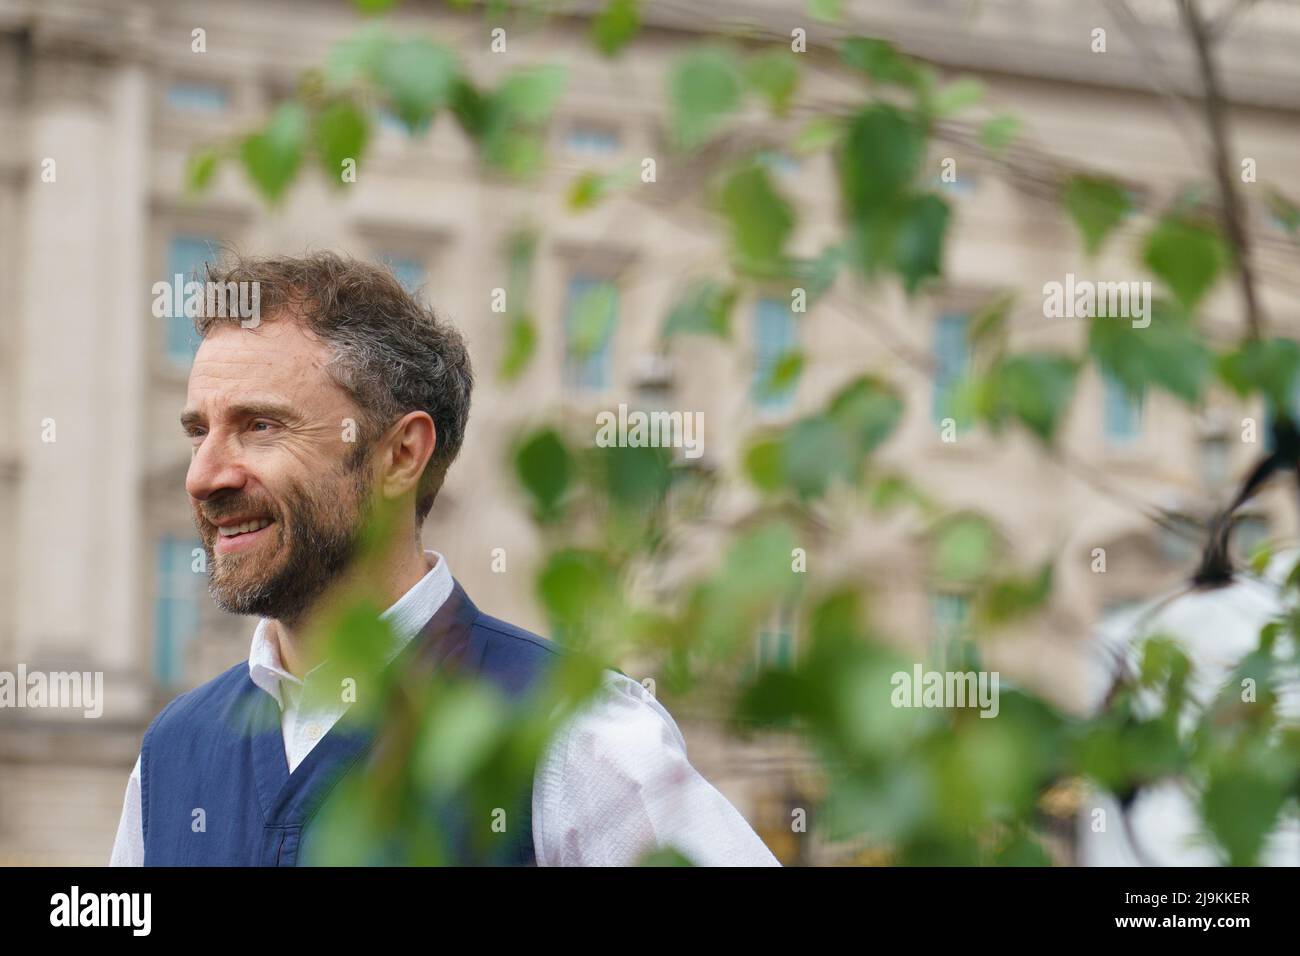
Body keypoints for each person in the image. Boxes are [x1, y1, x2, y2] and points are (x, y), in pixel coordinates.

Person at [109, 251, 779, 867]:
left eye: (260, 426)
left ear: (400, 455)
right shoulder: (171, 756)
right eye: (199, 430)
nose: (204, 476)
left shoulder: (582, 740)